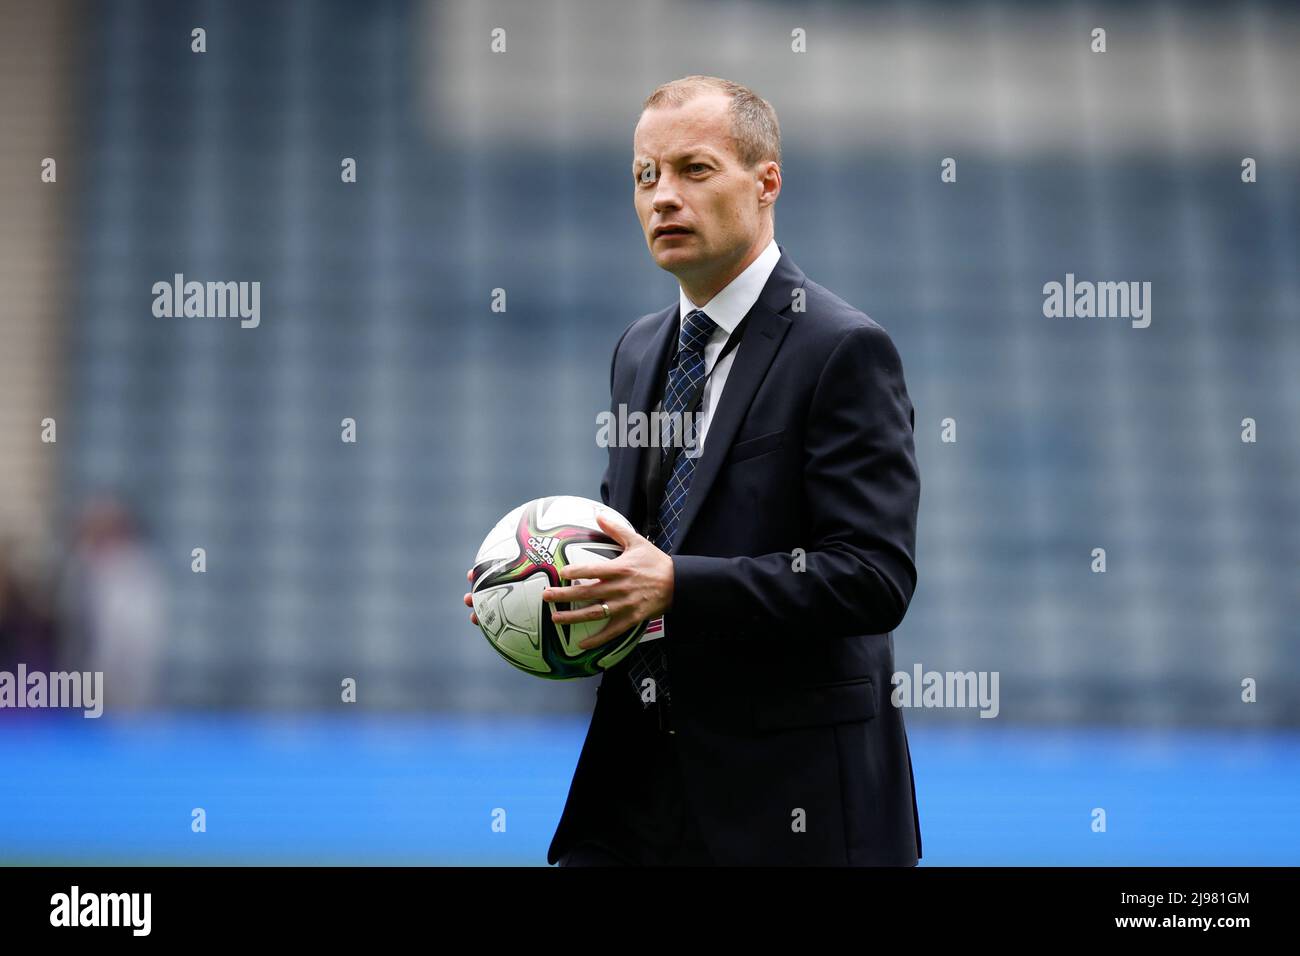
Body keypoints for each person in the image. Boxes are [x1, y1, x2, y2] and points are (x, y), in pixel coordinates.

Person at [465, 75, 921, 866]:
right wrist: (546, 601)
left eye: (694, 169)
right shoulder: (638, 349)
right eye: (646, 175)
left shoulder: (842, 350)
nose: (663, 196)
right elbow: (628, 553)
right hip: (634, 797)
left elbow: (873, 577)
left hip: (792, 808)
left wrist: (679, 585)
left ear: (766, 182)